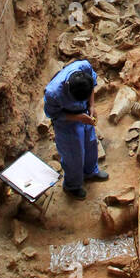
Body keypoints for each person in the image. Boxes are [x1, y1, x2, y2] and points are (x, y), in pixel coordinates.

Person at [43, 60, 109, 198]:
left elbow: (91, 85)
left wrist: (91, 106)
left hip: (84, 114)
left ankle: (90, 171)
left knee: (90, 143)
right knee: (74, 154)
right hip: (66, 123)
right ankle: (72, 186)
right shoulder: (53, 93)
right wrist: (78, 117)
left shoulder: (84, 67)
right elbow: (53, 115)